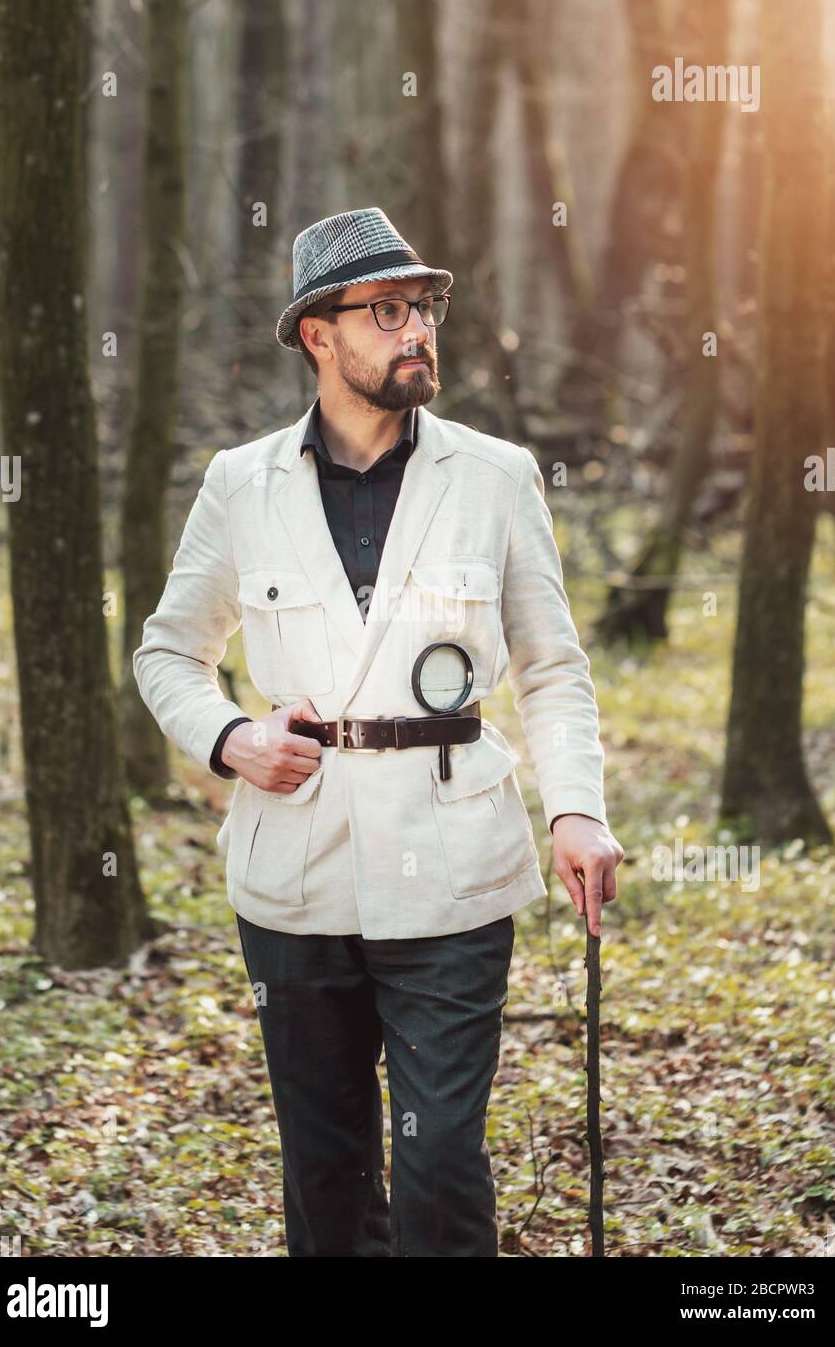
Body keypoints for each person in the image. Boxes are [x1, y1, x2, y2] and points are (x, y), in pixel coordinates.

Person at [133, 206, 624, 1257]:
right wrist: (229, 739)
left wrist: (575, 808)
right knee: (325, 1167)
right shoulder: (240, 484)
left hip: (454, 864)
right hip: (294, 874)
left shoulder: (493, 477)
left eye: (424, 307)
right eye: (386, 310)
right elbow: (166, 653)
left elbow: (549, 666)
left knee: (440, 1154)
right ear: (320, 332)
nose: (417, 330)